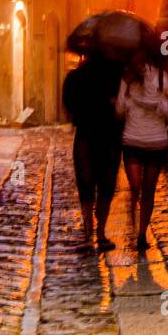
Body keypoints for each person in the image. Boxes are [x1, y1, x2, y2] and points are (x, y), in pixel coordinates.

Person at [62, 52, 124, 252]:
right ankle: (101, 233)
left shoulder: (74, 77)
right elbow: (122, 107)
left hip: (85, 137)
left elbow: (68, 106)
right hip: (110, 137)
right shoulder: (116, 76)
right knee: (106, 186)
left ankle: (88, 233)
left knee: (86, 185)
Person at [116, 49, 168, 251]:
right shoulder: (126, 81)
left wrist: (158, 104)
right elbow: (120, 112)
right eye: (135, 60)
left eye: (141, 59)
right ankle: (134, 225)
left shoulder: (160, 77)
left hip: (156, 141)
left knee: (149, 190)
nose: (139, 64)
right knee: (135, 187)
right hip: (132, 140)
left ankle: (141, 234)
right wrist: (125, 94)